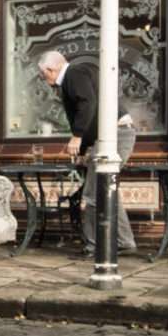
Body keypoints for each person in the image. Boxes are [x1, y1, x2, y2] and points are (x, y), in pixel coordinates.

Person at [39, 49, 135, 259]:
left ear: (50, 69)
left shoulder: (74, 73)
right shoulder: (76, 75)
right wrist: (83, 149)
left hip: (114, 136)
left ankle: (94, 247)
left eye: (43, 74)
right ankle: (124, 241)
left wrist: (77, 136)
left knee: (92, 194)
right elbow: (92, 111)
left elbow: (87, 103)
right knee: (105, 189)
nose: (44, 79)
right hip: (113, 135)